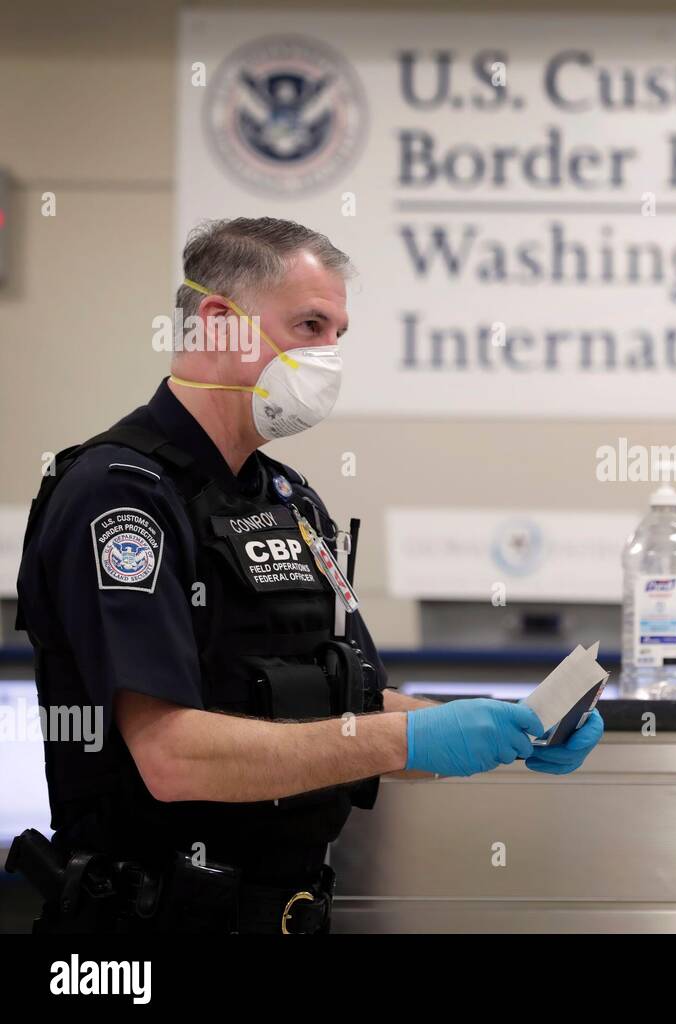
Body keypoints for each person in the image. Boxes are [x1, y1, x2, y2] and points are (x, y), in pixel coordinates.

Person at [11, 217, 602, 933]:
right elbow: (172, 757)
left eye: (337, 336)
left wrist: (503, 726)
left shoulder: (287, 500)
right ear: (220, 325)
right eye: (310, 326)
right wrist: (404, 741)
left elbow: (349, 707)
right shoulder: (122, 494)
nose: (328, 357)